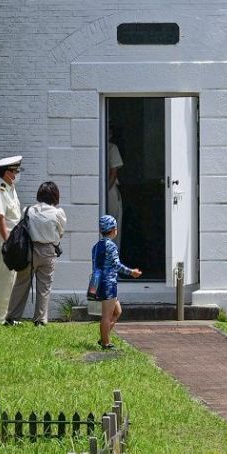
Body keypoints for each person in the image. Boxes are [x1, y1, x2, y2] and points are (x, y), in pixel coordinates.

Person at [4, 180, 67, 326]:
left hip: (28, 251)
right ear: (55, 196)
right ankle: (40, 320)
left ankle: (12, 317)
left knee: (21, 284)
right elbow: (60, 233)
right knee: (44, 287)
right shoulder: (58, 213)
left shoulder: (28, 210)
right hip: (48, 252)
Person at [90, 213, 141, 350]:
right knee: (106, 316)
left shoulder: (96, 246)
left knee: (117, 312)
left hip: (98, 283)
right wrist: (132, 272)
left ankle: (104, 336)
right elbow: (117, 265)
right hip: (108, 284)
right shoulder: (111, 246)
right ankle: (105, 343)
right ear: (113, 230)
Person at [0, 154, 22, 323]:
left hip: (12, 239)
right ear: (7, 172)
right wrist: (8, 242)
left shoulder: (10, 188)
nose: (17, 174)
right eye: (15, 171)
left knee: (11, 280)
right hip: (3, 240)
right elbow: (0, 218)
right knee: (3, 279)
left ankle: (9, 316)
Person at [106, 126, 124, 246]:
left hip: (107, 189)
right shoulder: (111, 147)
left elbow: (113, 173)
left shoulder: (110, 148)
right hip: (108, 190)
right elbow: (113, 173)